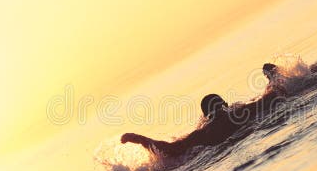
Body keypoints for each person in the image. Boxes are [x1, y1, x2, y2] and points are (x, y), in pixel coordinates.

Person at [121, 63, 287, 157]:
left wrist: (139, 138)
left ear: (206, 116)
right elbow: (273, 95)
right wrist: (272, 74)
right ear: (225, 104)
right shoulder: (239, 113)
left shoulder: (202, 133)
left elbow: (169, 150)